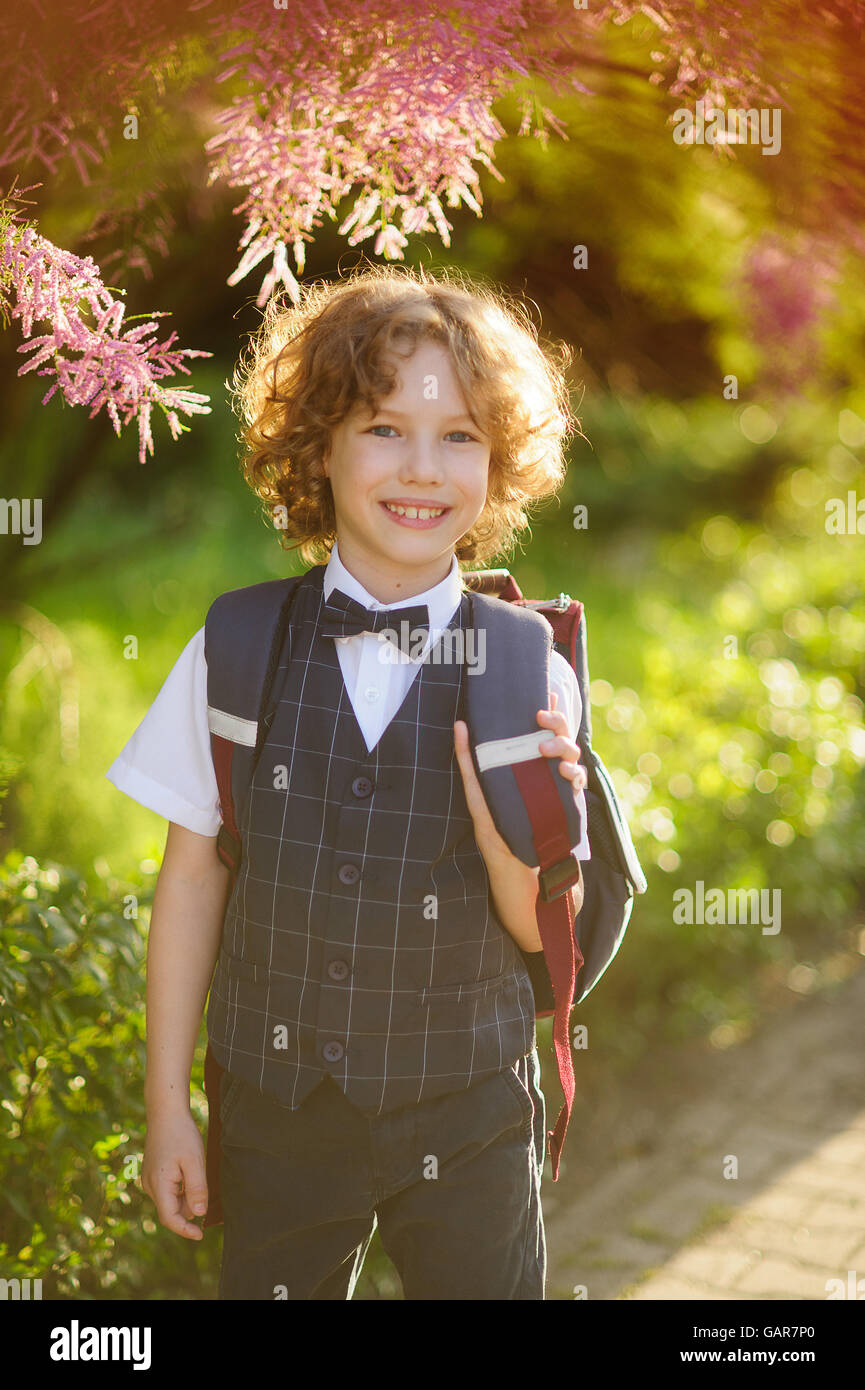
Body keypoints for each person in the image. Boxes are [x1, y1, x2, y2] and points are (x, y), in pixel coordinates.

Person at [105, 264, 591, 1300]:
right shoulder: (237, 643)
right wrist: (167, 1106)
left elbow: (545, 930)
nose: (423, 468)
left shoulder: (523, 663)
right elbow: (193, 879)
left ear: (499, 461)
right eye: (383, 428)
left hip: (467, 1110)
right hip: (278, 1106)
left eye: (459, 435)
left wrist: (521, 839)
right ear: (315, 445)